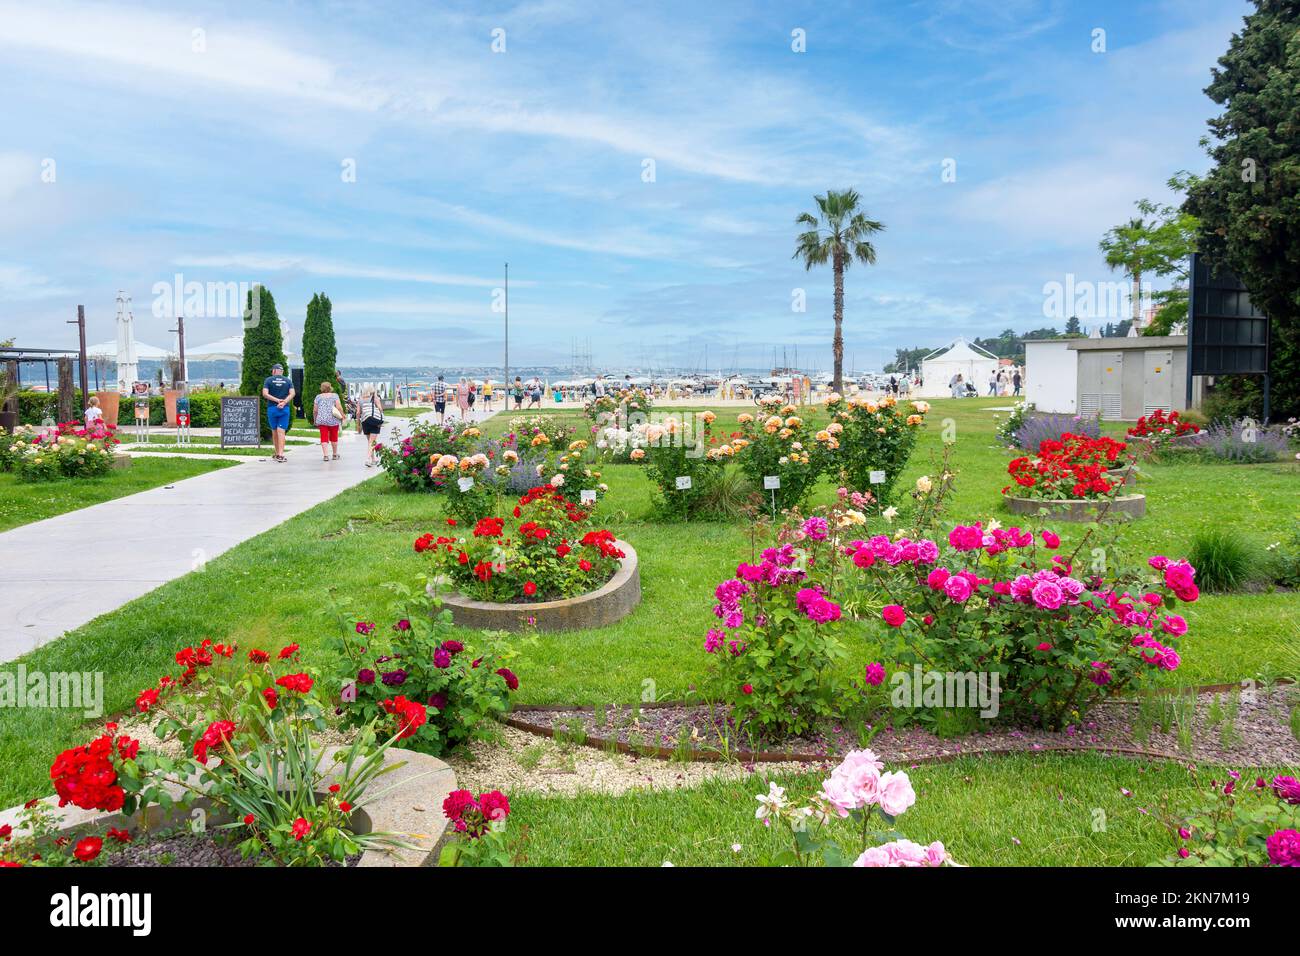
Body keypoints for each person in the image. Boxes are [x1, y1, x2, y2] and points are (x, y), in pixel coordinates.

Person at [262, 362, 295, 462]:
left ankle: (277, 454)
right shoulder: (288, 381)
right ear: (282, 371)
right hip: (284, 408)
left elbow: (265, 394)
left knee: (274, 431)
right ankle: (280, 454)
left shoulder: (268, 380)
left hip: (272, 408)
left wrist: (277, 400)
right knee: (281, 431)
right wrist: (284, 402)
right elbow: (292, 393)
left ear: (273, 371)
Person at [313, 381, 345, 462]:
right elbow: (339, 407)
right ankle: (334, 454)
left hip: (322, 420)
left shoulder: (318, 397)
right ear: (330, 387)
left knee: (323, 437)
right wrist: (343, 415)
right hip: (333, 419)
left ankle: (326, 456)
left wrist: (315, 419)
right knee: (334, 437)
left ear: (321, 388)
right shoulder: (335, 396)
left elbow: (315, 410)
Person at [357, 386, 385, 466]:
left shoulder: (360, 399)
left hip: (365, 421)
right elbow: (380, 408)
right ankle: (368, 459)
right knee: (372, 442)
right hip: (374, 420)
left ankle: (373, 459)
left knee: (370, 442)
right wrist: (381, 416)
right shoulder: (375, 398)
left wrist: (358, 424)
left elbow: (358, 413)